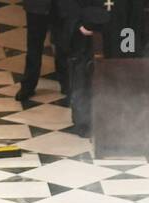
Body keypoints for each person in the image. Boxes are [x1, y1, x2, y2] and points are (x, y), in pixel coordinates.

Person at [60, 0, 109, 137]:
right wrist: (78, 25)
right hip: (81, 35)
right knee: (81, 78)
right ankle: (83, 123)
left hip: (113, 32)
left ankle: (107, 122)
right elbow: (67, 6)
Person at [19, 0, 69, 100]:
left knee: (63, 46)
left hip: (63, 6)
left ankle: (66, 84)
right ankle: (28, 86)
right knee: (34, 46)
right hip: (37, 6)